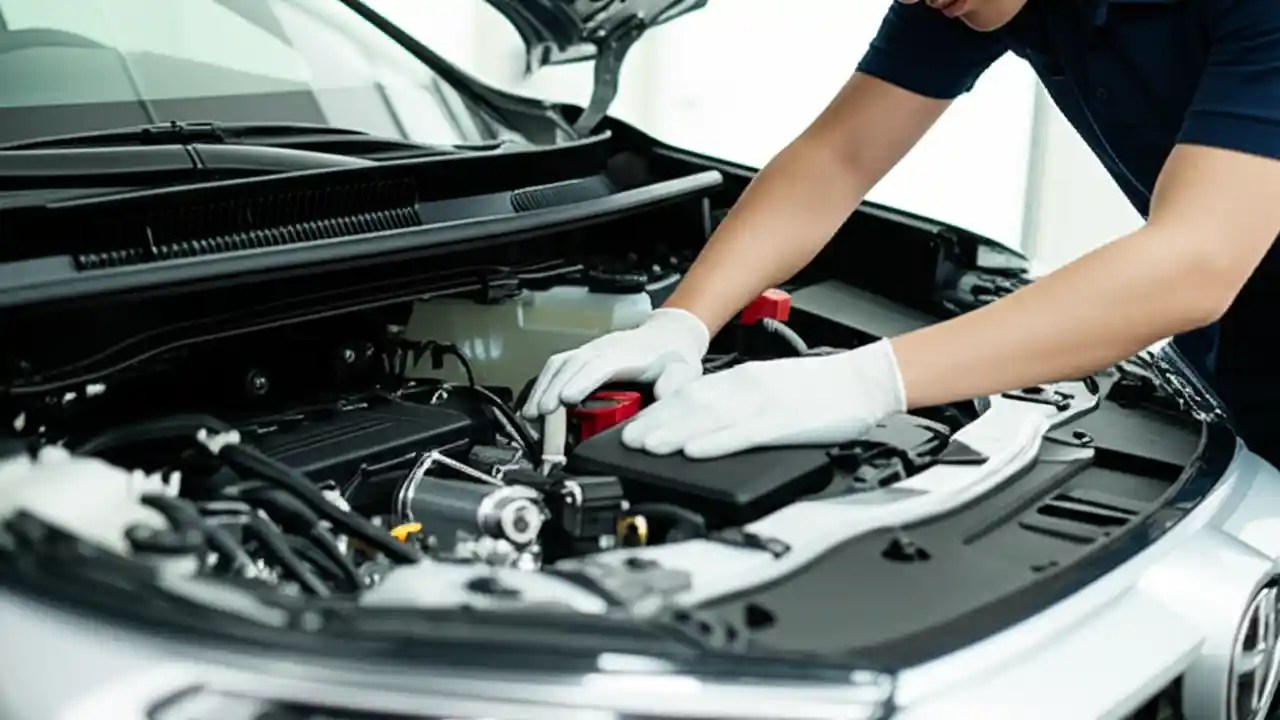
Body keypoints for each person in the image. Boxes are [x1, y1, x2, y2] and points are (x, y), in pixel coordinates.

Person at [522, 0, 1280, 465]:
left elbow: (1195, 261)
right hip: (1239, 368)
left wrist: (869, 378)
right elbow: (837, 157)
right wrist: (685, 319)